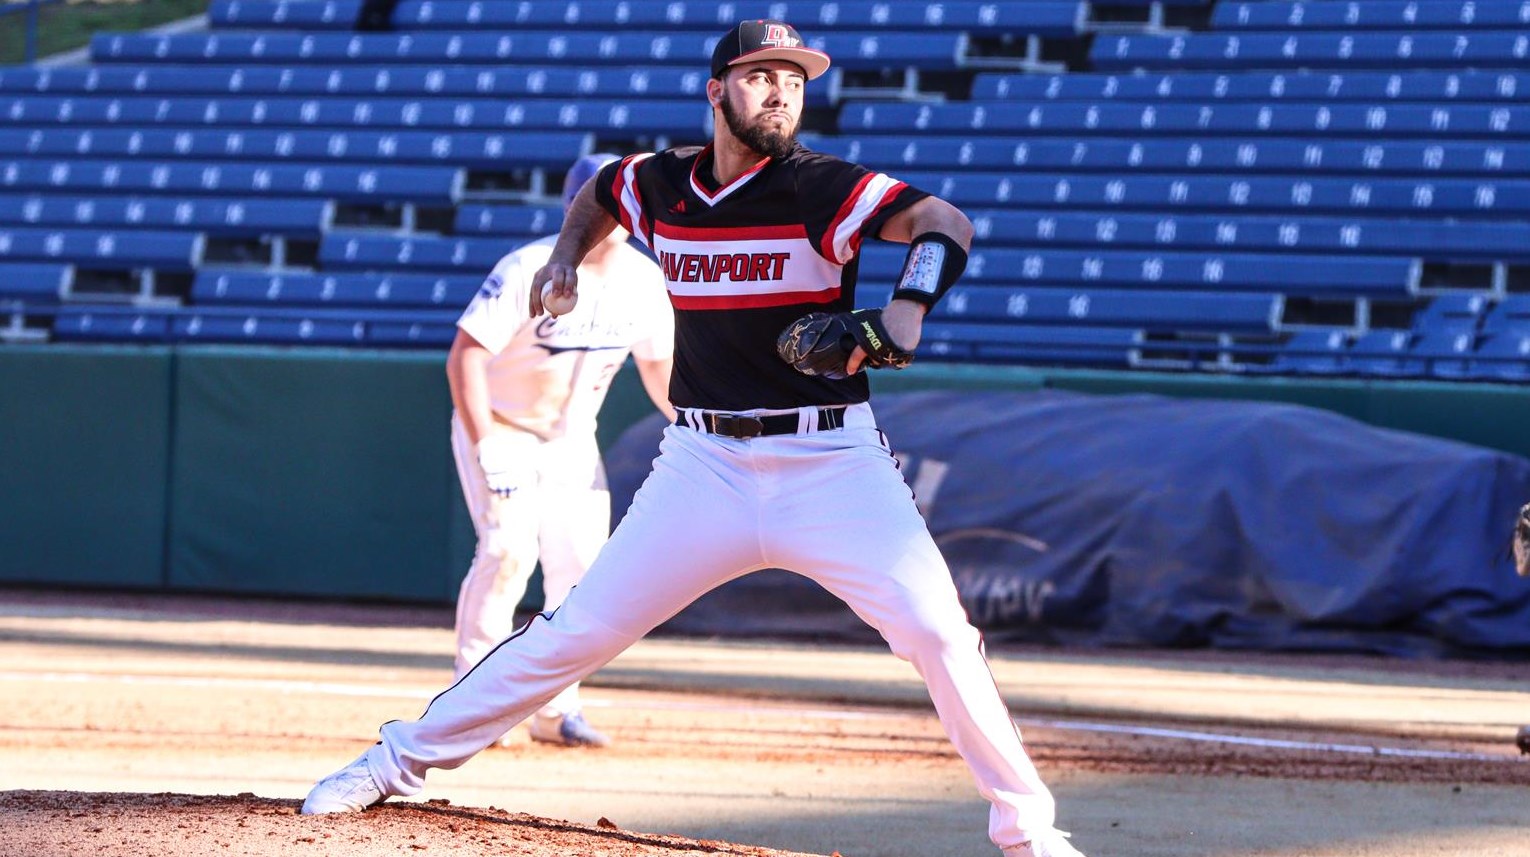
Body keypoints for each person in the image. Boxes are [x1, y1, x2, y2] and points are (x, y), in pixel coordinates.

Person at [302, 20, 1089, 857]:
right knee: (573, 632)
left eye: (795, 77)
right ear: (716, 91)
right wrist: (566, 256)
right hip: (704, 464)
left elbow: (946, 222)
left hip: (829, 458)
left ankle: (1029, 833)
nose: (782, 90)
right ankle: (394, 761)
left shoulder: (821, 188)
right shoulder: (660, 185)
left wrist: (907, 309)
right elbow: (604, 190)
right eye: (760, 75)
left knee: (940, 634)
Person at [444, 152, 675, 747]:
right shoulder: (530, 266)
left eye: (615, 207)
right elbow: (466, 356)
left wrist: (691, 420)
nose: (607, 219)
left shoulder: (646, 279)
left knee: (580, 573)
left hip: (572, 440)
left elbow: (659, 366)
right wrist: (485, 443)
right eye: (592, 206)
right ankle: (474, 703)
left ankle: (555, 710)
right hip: (503, 427)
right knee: (507, 552)